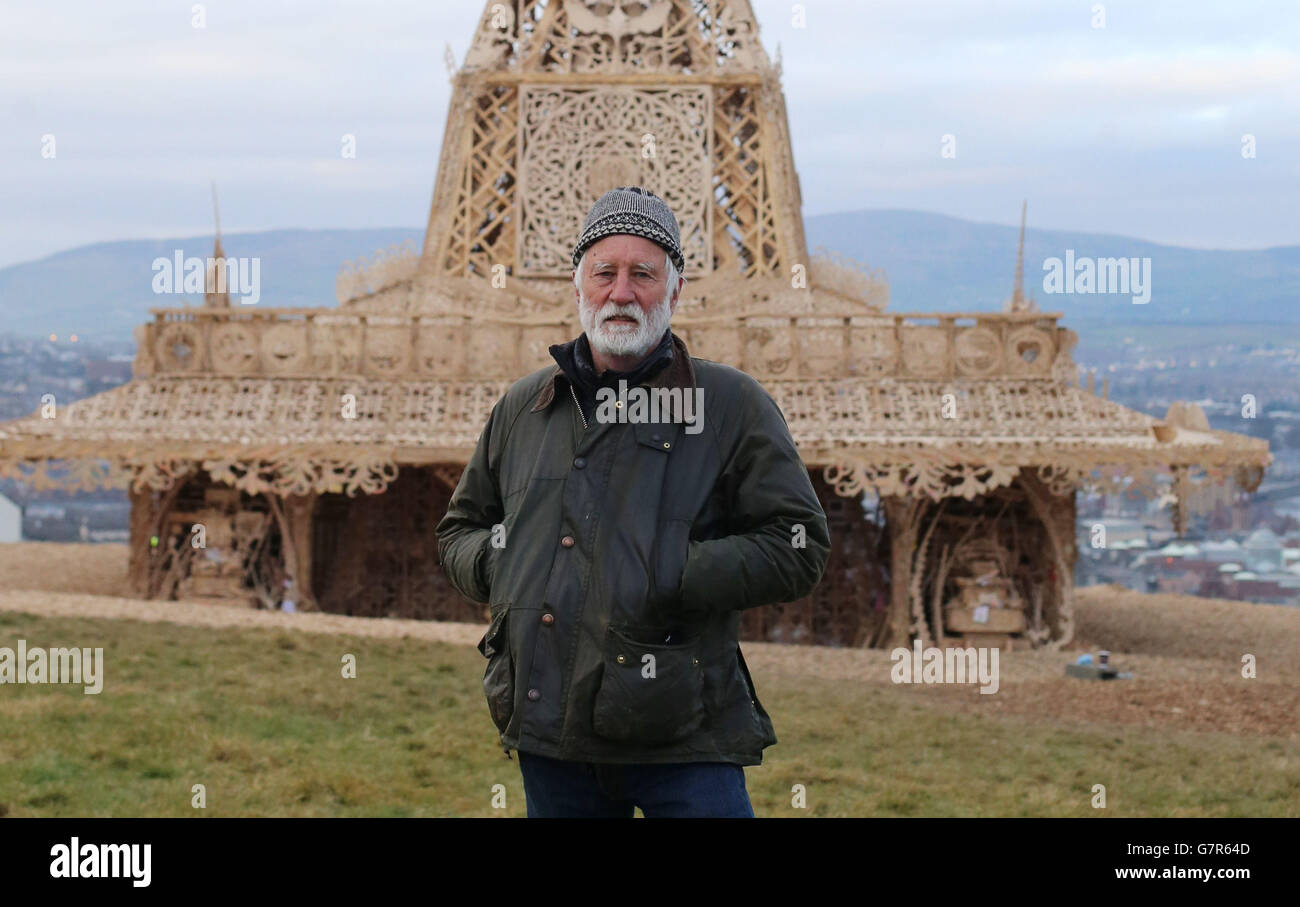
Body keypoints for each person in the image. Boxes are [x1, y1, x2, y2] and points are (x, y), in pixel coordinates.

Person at [436, 186, 830, 817]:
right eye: (605, 273)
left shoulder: (731, 405)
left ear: (674, 292)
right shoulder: (525, 406)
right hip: (550, 727)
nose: (622, 292)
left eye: (643, 274)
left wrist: (671, 569)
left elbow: (799, 546)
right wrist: (502, 565)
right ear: (579, 287)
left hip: (684, 734)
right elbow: (459, 529)